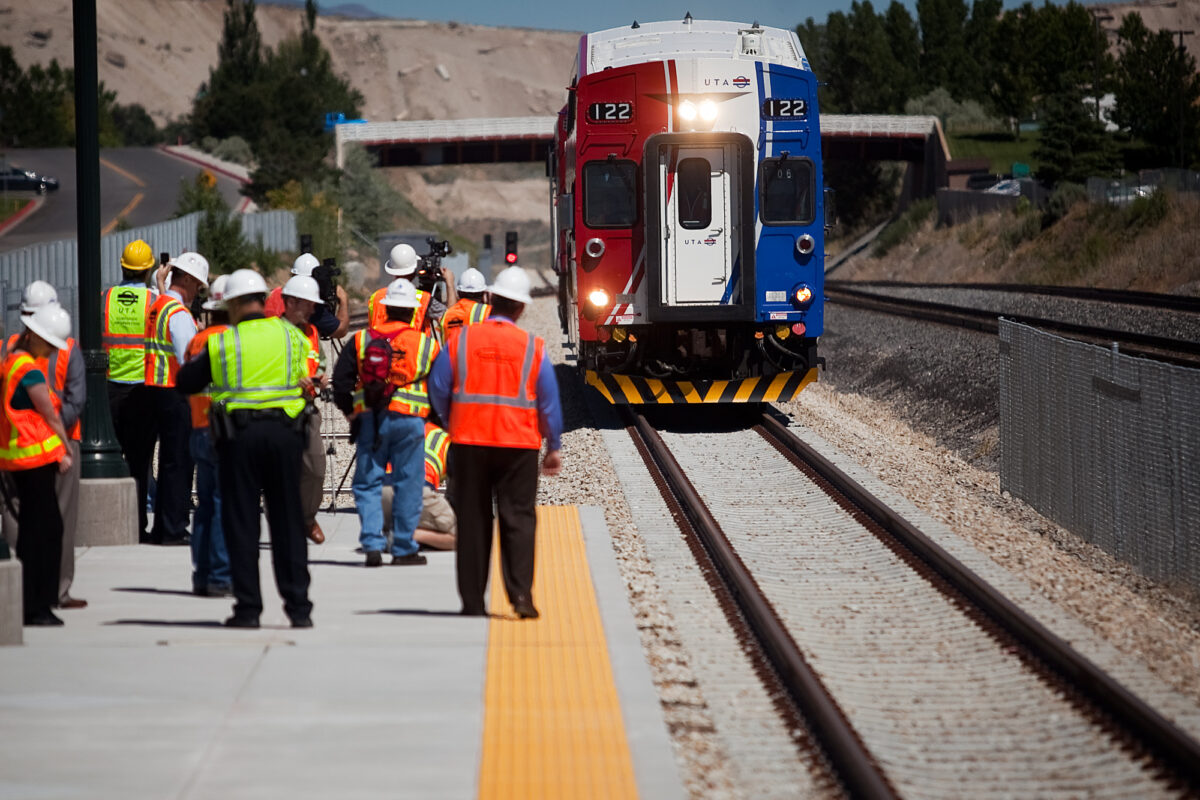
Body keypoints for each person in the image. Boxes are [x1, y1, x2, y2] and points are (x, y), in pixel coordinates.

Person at [175, 269, 314, 629]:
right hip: (285, 435)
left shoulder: (224, 342)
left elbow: (186, 381)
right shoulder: (290, 335)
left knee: (242, 522)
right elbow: (309, 374)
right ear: (264, 300)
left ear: (234, 304)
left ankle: (248, 609)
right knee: (287, 522)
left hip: (240, 439)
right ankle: (299, 609)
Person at [428, 265, 563, 619]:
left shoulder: (461, 341)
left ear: (490, 299)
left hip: (469, 443)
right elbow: (548, 401)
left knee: (472, 521)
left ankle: (472, 602)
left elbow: (437, 387)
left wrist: (450, 421)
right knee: (518, 519)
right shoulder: (532, 347)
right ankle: (521, 598)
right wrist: (554, 445)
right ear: (521, 308)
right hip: (518, 447)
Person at [332, 278, 439, 567]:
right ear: (413, 311)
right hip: (410, 421)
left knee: (368, 483)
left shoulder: (360, 340)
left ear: (387, 308)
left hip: (370, 419)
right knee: (408, 484)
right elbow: (442, 386)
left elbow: (340, 383)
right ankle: (403, 548)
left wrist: (351, 412)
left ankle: (372, 544)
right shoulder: (426, 344)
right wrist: (437, 419)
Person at [0, 282, 87, 610]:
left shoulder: (7, 348)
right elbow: (74, 400)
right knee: (56, 518)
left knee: (15, 515)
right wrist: (55, 438)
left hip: (13, 446)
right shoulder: (68, 347)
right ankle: (55, 591)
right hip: (57, 445)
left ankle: (17, 586)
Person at [145, 252, 208, 546]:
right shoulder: (179, 314)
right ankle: (173, 528)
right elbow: (188, 360)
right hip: (175, 393)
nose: (198, 291)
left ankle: (163, 527)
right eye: (198, 285)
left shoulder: (159, 305)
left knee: (169, 462)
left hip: (156, 390)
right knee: (180, 463)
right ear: (189, 280)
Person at [103, 239, 158, 540]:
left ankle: (109, 523)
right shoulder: (153, 302)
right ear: (148, 270)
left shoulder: (105, 298)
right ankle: (136, 527)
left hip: (108, 389)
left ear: (122, 267)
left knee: (109, 459)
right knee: (139, 463)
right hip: (141, 391)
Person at [183, 275, 231, 598]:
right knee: (223, 504)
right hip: (225, 429)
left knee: (204, 504)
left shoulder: (197, 341)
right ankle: (220, 576)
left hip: (199, 426)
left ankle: (201, 573)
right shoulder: (233, 340)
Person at [279, 274, 328, 545]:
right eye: (308, 304)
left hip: (307, 408)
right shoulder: (274, 332)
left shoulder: (312, 332)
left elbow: (319, 361)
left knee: (316, 469)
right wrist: (292, 381)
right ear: (291, 302)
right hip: (279, 410)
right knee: (282, 472)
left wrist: (320, 377)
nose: (312, 309)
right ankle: (286, 524)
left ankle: (307, 518)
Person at [381, 420, 456, 550]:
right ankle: (406, 537)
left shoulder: (400, 429)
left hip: (381, 495)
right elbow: (460, 483)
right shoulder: (444, 438)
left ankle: (392, 533)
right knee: (461, 537)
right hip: (415, 492)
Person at [366, 243, 457, 334]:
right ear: (414, 269)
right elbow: (452, 322)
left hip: (379, 342)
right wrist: (450, 283)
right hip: (412, 342)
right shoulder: (423, 299)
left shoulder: (376, 297)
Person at [264, 252, 350, 339]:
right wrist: (343, 300)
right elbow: (340, 330)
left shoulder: (274, 294)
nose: (311, 310)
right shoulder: (307, 303)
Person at [440, 267, 490, 338]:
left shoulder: (448, 316)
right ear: (484, 294)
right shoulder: (489, 314)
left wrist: (449, 282)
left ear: (459, 293)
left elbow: (452, 311)